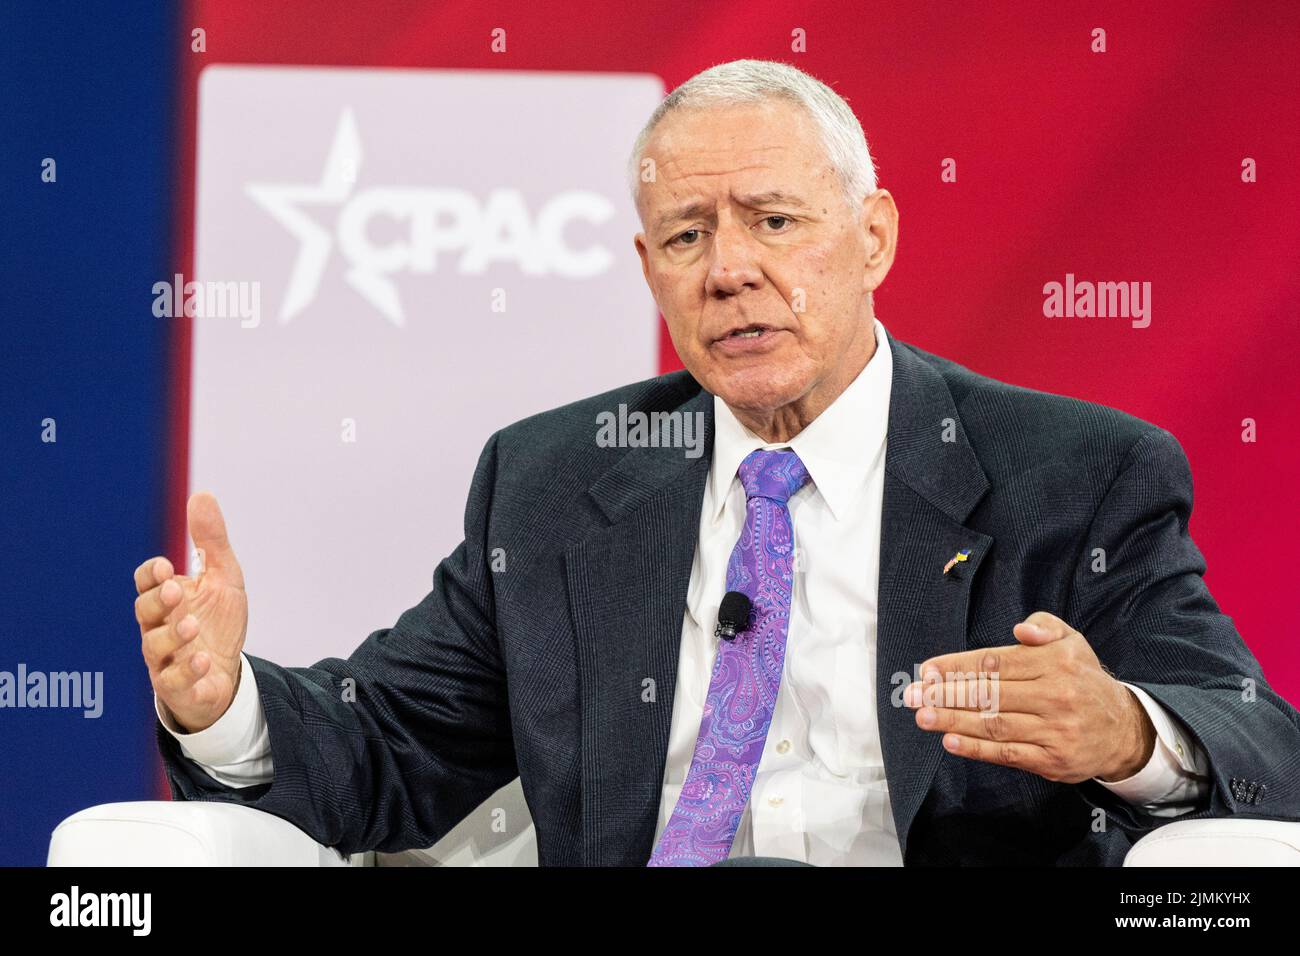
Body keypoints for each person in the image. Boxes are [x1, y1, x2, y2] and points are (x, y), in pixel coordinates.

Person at [133, 59, 1300, 866]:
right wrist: (224, 698)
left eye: (774, 221)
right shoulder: (552, 482)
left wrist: (1129, 732)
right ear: (649, 267)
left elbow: (1259, 737)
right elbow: (390, 741)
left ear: (874, 234)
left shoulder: (1075, 473)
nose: (728, 269)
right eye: (687, 236)